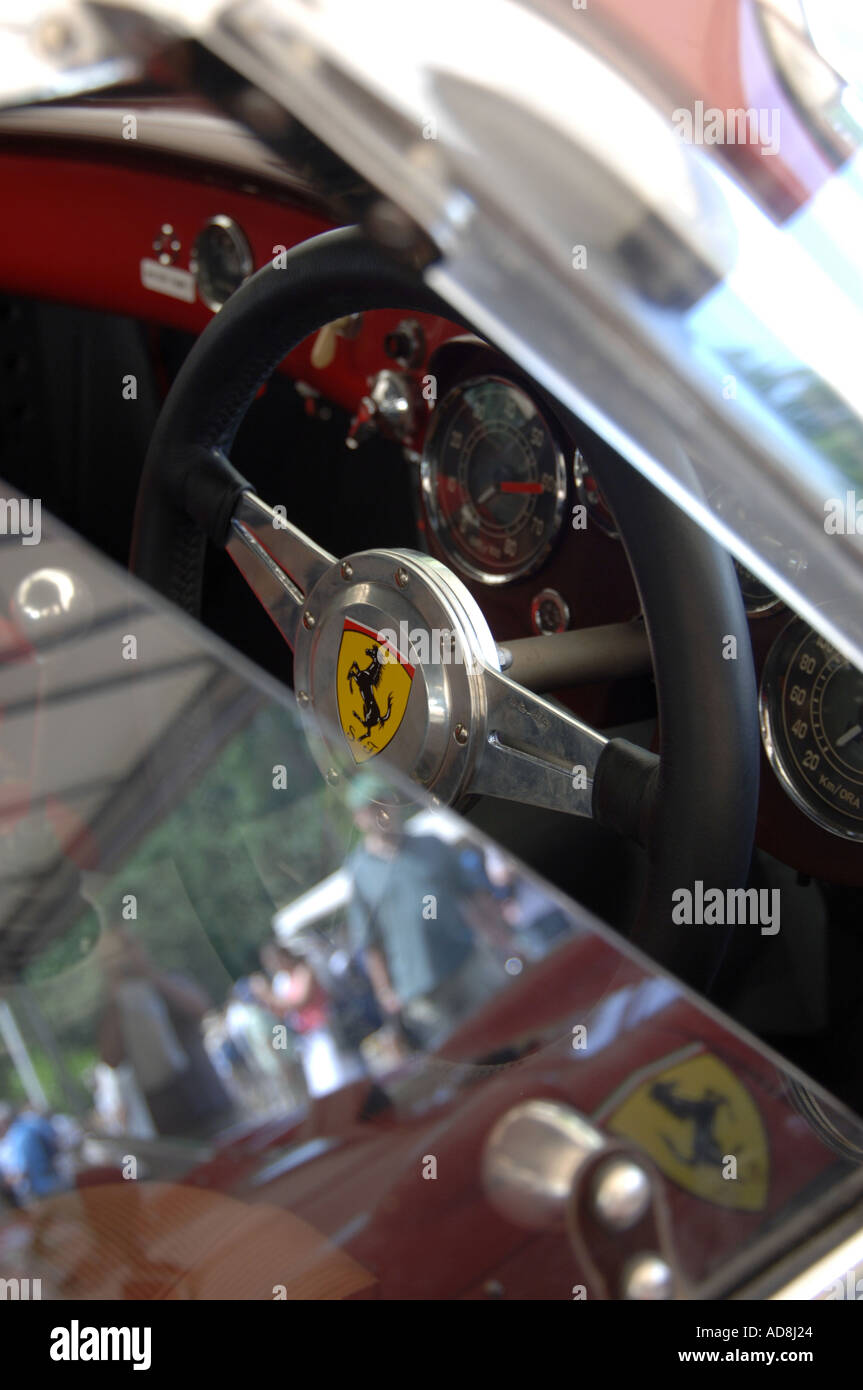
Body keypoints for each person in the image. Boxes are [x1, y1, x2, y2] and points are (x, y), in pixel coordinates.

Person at [346, 801, 508, 1050]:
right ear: (358, 818)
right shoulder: (359, 871)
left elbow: (474, 893)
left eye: (386, 802)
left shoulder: (430, 844)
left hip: (465, 960)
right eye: (371, 808)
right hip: (418, 987)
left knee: (503, 1030)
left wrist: (502, 937)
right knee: (458, 1058)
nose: (382, 812)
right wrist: (384, 990)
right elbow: (369, 940)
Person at [0, 1102, 67, 1205]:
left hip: (43, 1189)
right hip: (40, 1189)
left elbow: (23, 1169)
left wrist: (10, 1180)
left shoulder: (21, 1135)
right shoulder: (14, 1137)